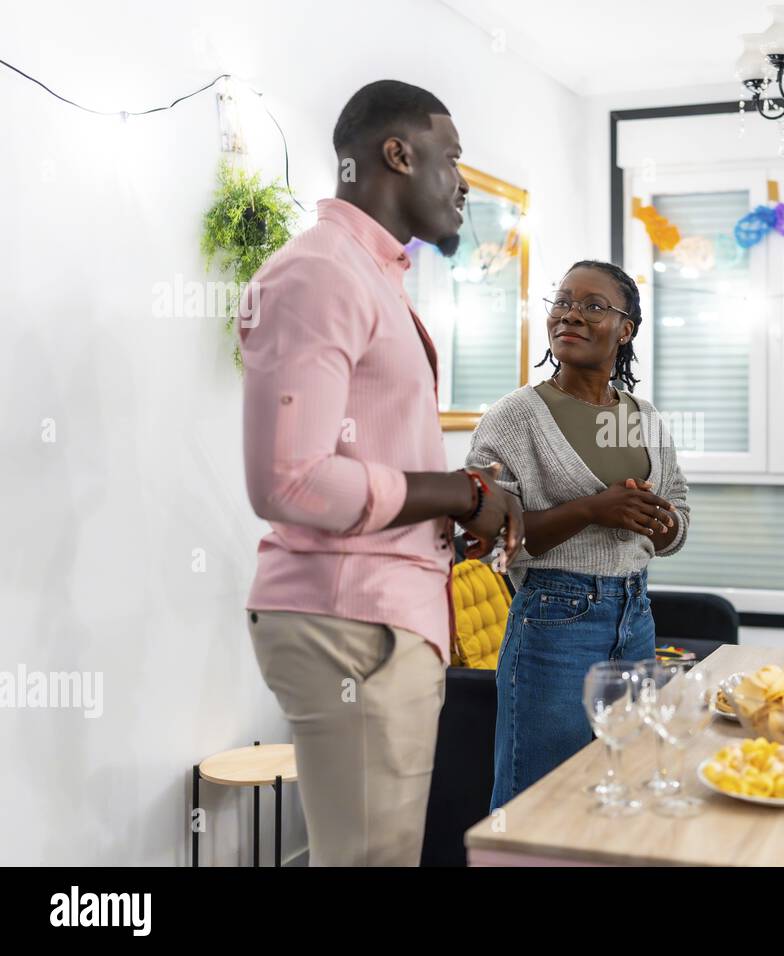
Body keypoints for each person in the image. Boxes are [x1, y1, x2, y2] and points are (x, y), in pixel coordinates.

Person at [239, 80, 523, 866]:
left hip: (382, 616)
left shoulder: (372, 275)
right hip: (348, 621)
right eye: (453, 156)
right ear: (397, 154)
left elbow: (365, 459)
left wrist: (449, 519)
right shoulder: (319, 274)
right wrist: (454, 492)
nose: (463, 181)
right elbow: (288, 480)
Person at [467, 260, 690, 811]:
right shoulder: (513, 417)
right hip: (552, 624)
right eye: (562, 301)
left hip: (635, 616)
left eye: (593, 306)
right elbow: (495, 536)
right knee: (537, 801)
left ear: (626, 329)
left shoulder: (643, 417)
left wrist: (660, 524)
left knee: (629, 787)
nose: (570, 314)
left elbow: (679, 517)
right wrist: (594, 508)